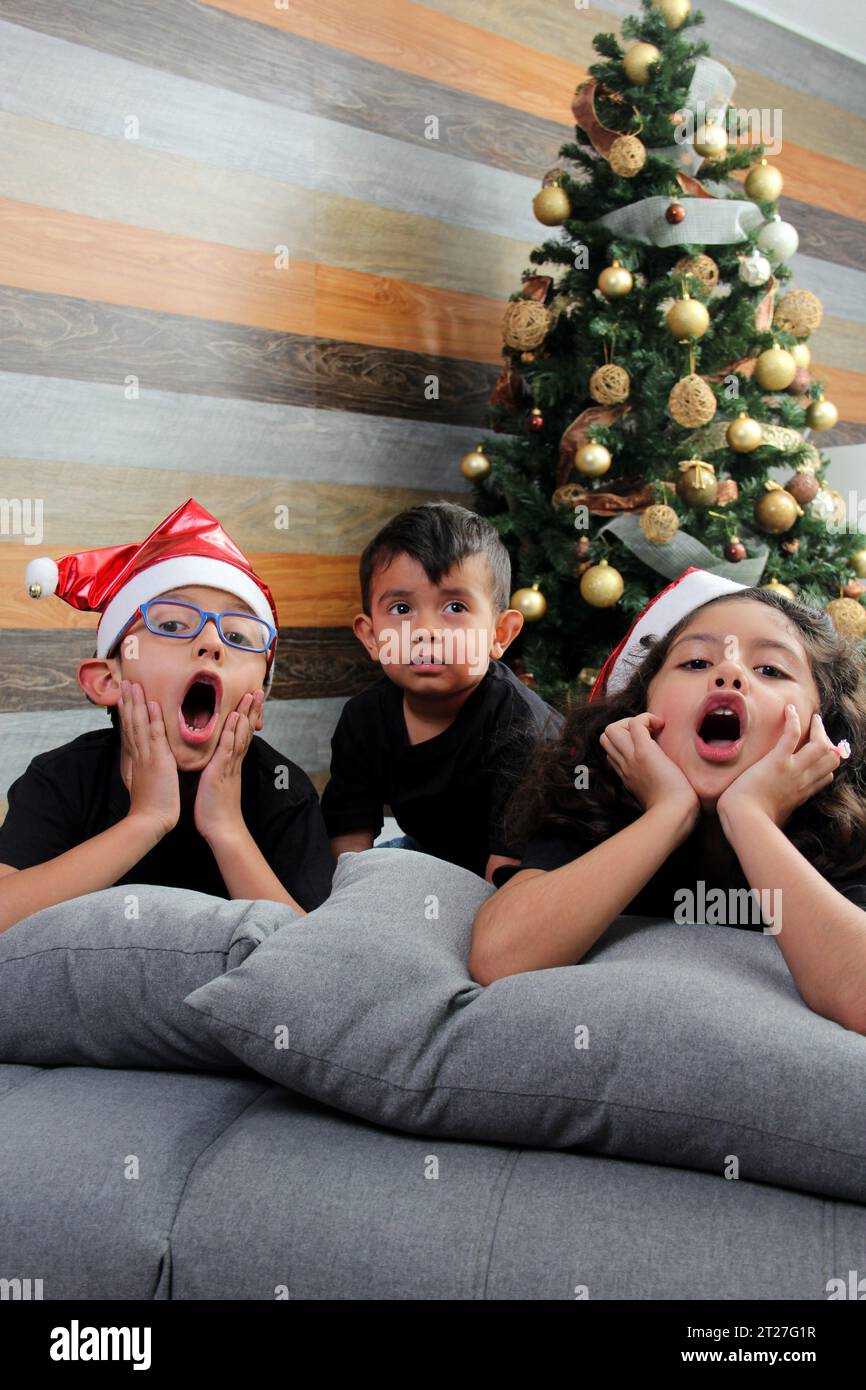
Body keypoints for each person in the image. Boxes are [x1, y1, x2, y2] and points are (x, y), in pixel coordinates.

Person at [469, 566, 866, 1035]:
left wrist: (749, 817)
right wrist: (668, 813)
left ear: (824, 730)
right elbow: (500, 957)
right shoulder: (594, 799)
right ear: (642, 709)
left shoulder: (849, 830)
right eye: (696, 663)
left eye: (771, 670)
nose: (729, 674)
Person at [0, 499, 334, 934]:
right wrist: (146, 820)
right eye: (173, 625)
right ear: (106, 680)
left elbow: (315, 963)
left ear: (258, 703)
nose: (212, 642)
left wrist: (226, 828)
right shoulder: (62, 778)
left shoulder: (283, 791)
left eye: (237, 636)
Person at [320, 501, 564, 882]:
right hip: (440, 850)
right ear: (371, 637)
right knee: (372, 873)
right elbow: (349, 842)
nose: (426, 630)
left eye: (454, 606)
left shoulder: (520, 729)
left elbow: (507, 876)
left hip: (538, 865)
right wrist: (353, 902)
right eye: (401, 608)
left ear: (500, 634)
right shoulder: (364, 719)